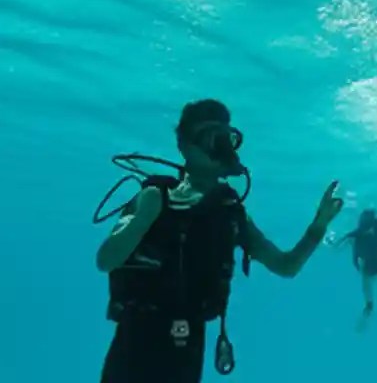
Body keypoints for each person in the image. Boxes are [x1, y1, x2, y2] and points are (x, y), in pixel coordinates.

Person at [94, 99, 344, 383]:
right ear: (185, 145)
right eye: (210, 136)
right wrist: (143, 218)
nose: (220, 145)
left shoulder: (229, 213)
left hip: (189, 340)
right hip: (135, 338)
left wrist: (319, 224)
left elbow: (286, 266)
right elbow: (105, 260)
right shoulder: (154, 197)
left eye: (226, 137)